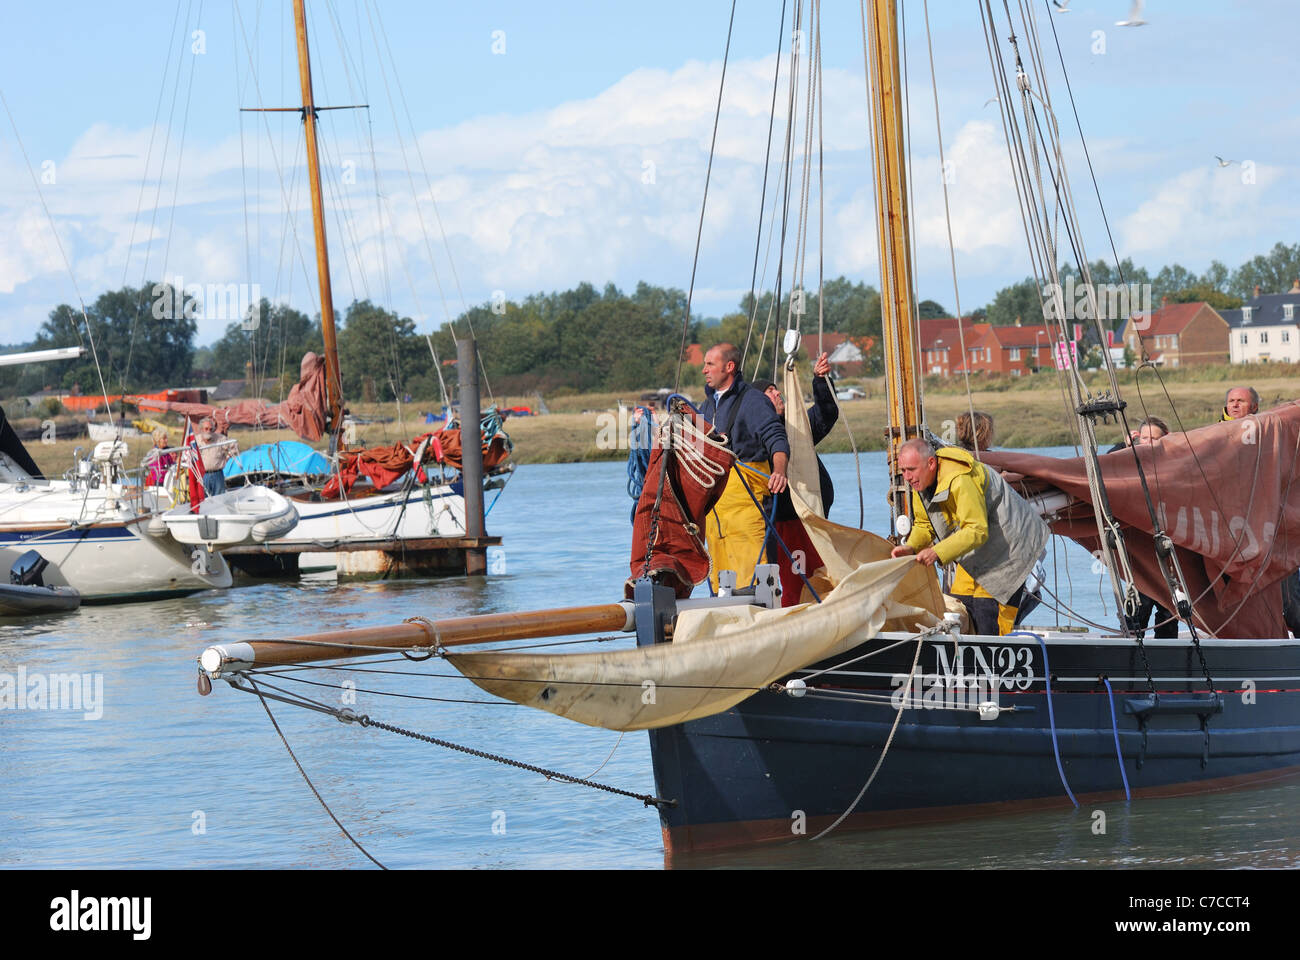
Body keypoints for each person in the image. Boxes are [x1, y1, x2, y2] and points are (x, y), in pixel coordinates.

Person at [890, 437, 1048, 635]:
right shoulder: (920, 484)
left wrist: (936, 552)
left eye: (911, 469)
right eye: (903, 470)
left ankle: (994, 656)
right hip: (978, 549)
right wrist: (911, 546)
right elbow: (924, 524)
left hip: (1010, 547)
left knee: (987, 614)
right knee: (958, 608)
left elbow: (976, 530)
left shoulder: (959, 479)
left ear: (931, 463)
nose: (907, 476)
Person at [698, 342, 790, 593]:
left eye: (710, 364)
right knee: (720, 587)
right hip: (716, 514)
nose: (704, 370)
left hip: (748, 509)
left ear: (729, 367)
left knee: (755, 585)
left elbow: (776, 438)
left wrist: (779, 471)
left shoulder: (753, 401)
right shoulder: (705, 408)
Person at [753, 352, 838, 605]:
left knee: (821, 580)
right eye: (770, 392)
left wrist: (821, 381)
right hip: (783, 524)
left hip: (811, 521)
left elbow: (825, 414)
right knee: (793, 588)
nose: (778, 394)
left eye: (777, 390)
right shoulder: (755, 436)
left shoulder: (795, 428)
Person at [1107, 416, 1179, 638]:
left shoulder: (1175, 462)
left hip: (1169, 543)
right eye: (1144, 438)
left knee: (1168, 606)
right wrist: (1124, 447)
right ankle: (1132, 647)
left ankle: (1168, 654)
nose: (1147, 443)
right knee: (1140, 599)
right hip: (1140, 544)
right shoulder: (1130, 460)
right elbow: (1106, 465)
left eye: (1153, 438)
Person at [193, 416, 236, 497]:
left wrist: (227, 457)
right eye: (206, 429)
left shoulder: (220, 439)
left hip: (218, 474)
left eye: (211, 429)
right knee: (203, 501)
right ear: (201, 429)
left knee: (219, 500)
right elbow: (188, 453)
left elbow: (234, 446)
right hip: (203, 475)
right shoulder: (196, 440)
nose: (209, 431)